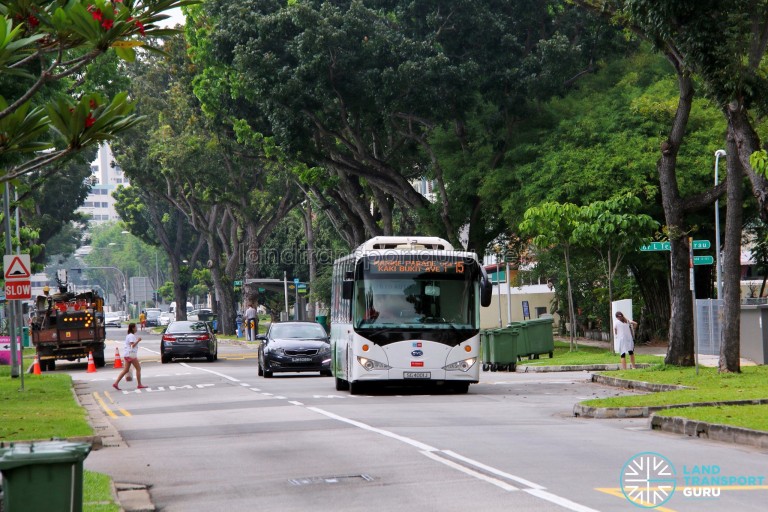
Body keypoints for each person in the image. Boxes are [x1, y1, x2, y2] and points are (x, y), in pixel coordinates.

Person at [113, 323, 147, 390]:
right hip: (131, 354)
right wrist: (138, 340)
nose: (137, 328)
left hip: (127, 354)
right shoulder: (131, 336)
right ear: (133, 328)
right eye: (136, 327)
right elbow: (132, 345)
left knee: (126, 370)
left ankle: (116, 383)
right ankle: (139, 384)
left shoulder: (128, 335)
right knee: (138, 369)